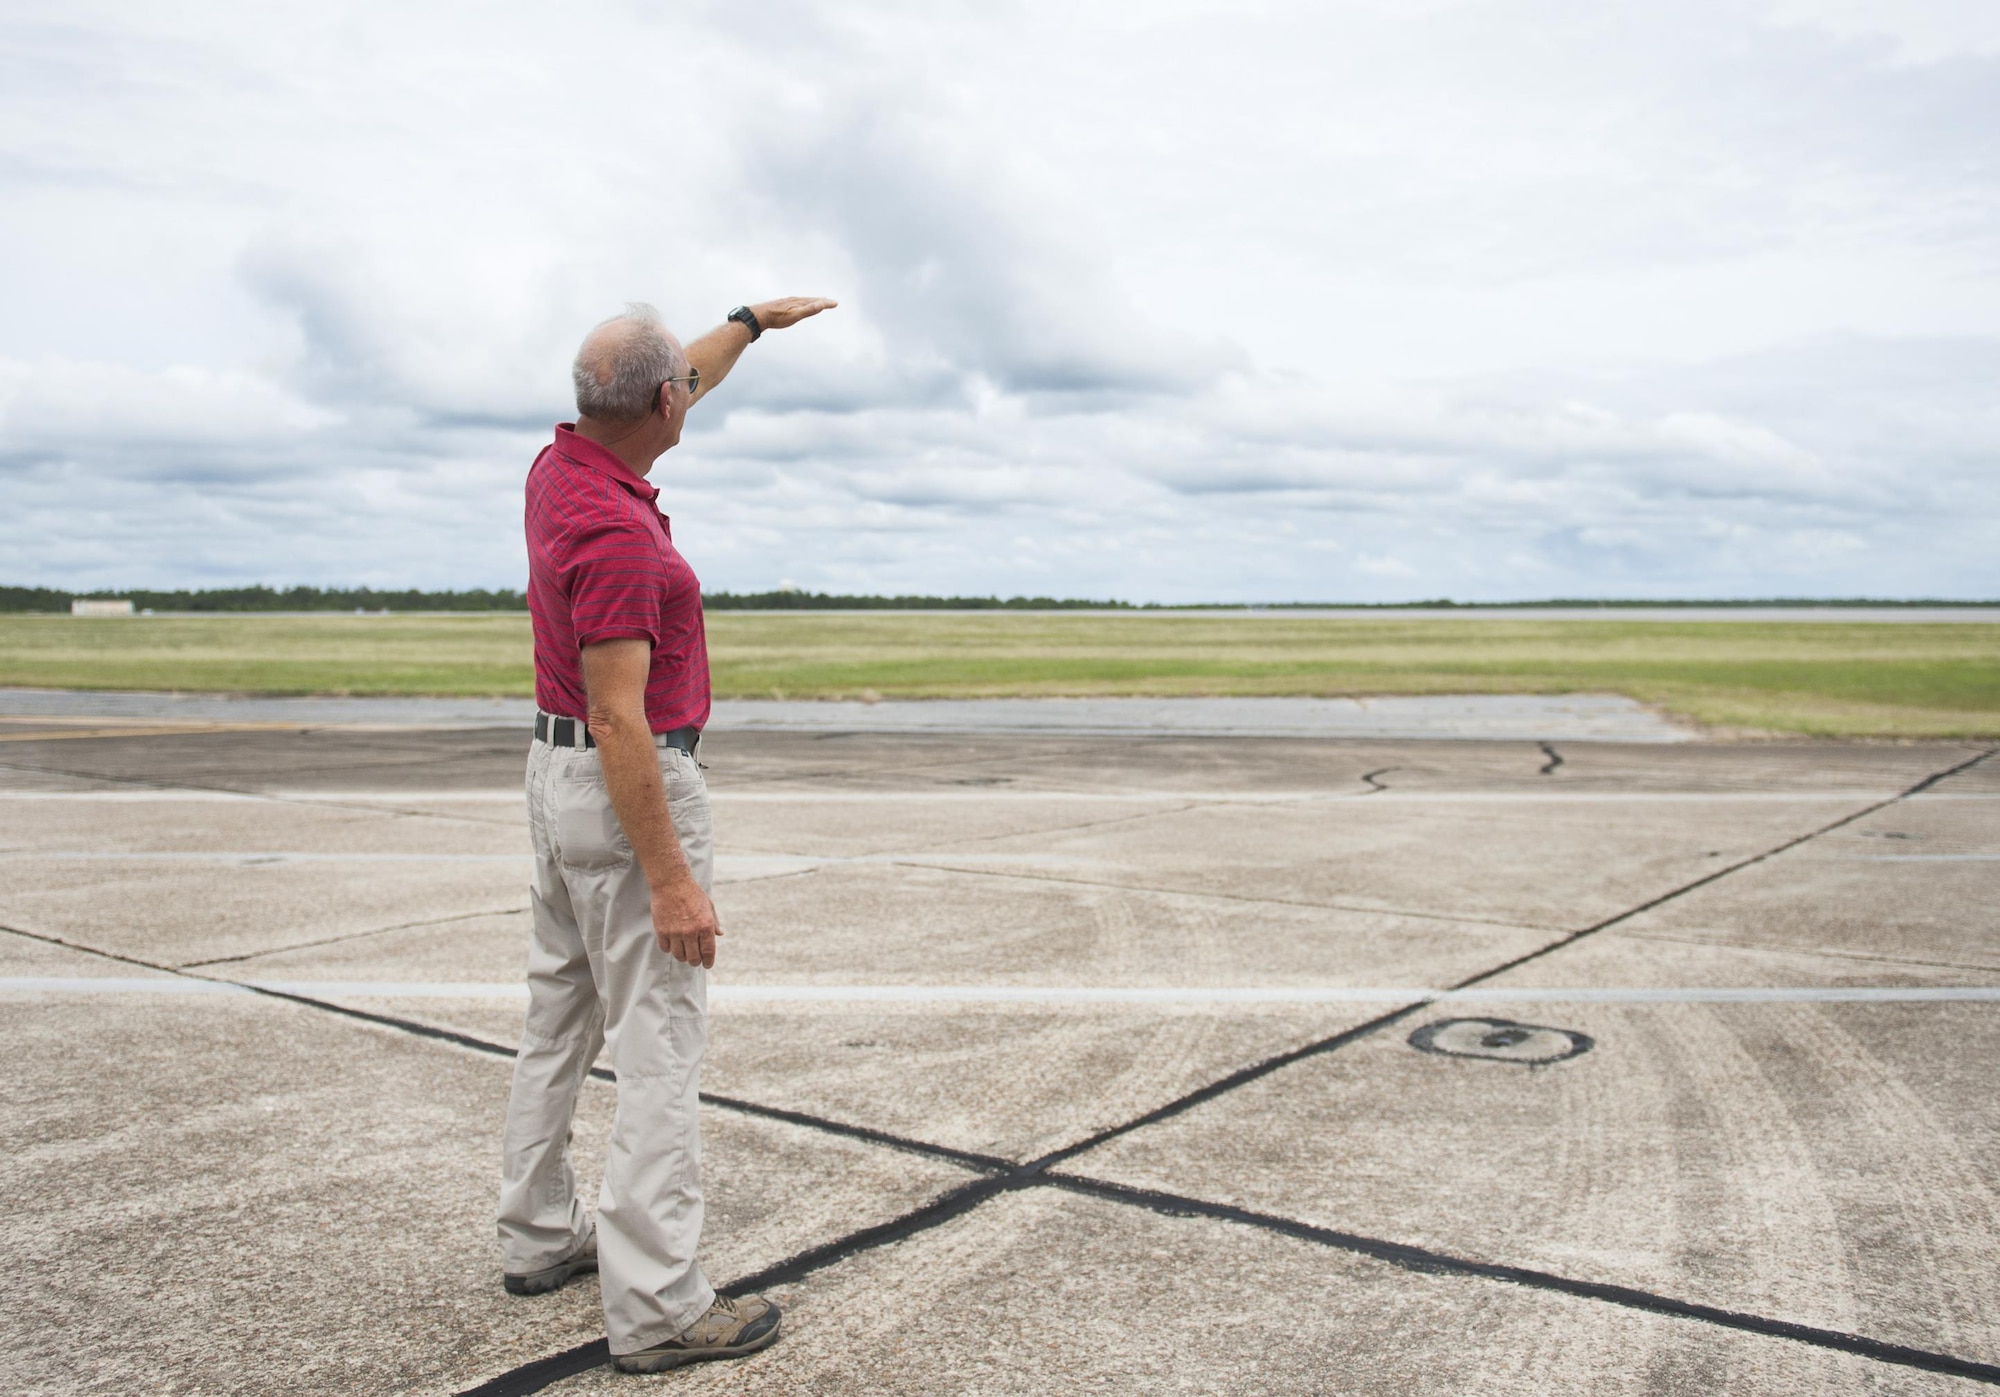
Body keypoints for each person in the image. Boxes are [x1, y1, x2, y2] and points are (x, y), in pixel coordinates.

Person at [497, 296, 836, 1373]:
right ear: (659, 404)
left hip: (555, 783)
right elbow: (618, 717)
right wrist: (673, 879)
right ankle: (656, 1307)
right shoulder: (615, 530)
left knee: (558, 1016)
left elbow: (674, 375)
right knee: (657, 1048)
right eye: (681, 382)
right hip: (621, 784)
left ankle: (538, 1232)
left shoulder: (564, 465)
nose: (692, 386)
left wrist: (747, 323)